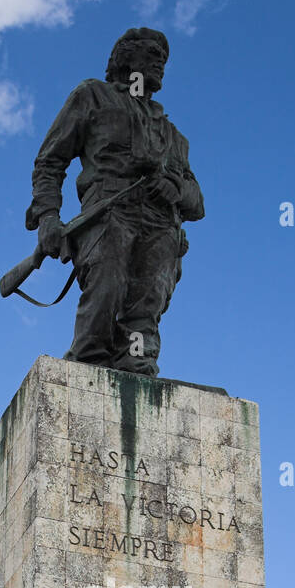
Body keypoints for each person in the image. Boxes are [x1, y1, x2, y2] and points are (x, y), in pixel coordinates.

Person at [25, 26, 205, 376]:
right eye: (151, 53)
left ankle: (136, 364)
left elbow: (198, 203)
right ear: (125, 58)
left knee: (147, 300)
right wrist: (48, 216)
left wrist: (177, 190)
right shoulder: (93, 96)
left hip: (160, 225)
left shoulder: (174, 137)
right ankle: (87, 366)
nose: (160, 62)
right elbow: (50, 161)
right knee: (107, 288)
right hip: (107, 214)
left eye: (163, 58)